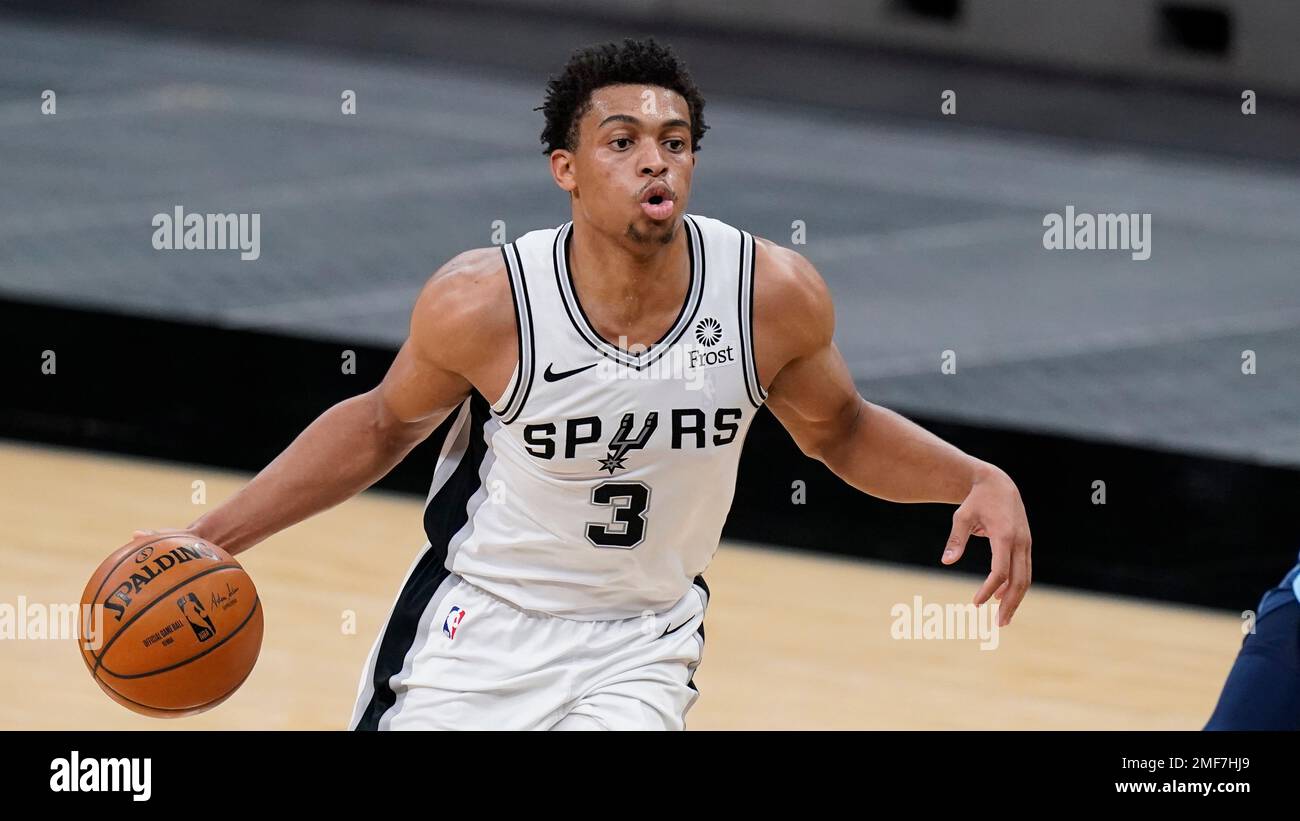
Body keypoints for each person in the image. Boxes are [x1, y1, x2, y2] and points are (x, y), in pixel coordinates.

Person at [136, 38, 1032, 730]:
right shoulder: (486, 303)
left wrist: (973, 477)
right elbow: (378, 426)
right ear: (564, 168)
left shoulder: (770, 296)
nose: (656, 160)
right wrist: (210, 539)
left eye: (675, 142)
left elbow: (838, 428)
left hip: (641, 642)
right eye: (623, 141)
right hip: (476, 631)